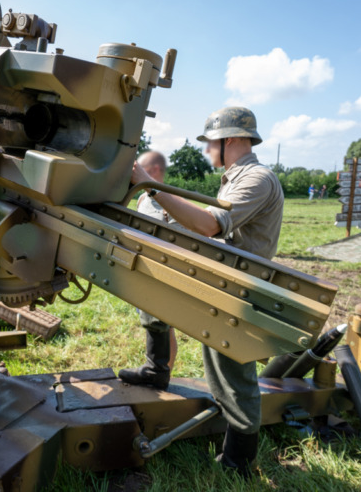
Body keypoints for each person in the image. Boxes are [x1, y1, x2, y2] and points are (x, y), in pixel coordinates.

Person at [127, 107, 284, 478]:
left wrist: (151, 185)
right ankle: (156, 370)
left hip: (239, 289)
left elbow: (210, 225)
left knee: (231, 371)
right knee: (153, 292)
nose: (207, 151)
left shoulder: (257, 178)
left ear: (229, 139)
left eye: (210, 143)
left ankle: (239, 462)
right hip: (224, 278)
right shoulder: (235, 178)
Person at [118, 151, 179, 390]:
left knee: (162, 322)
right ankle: (161, 373)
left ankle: (160, 373)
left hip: (163, 272)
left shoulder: (167, 202)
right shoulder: (145, 199)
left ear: (151, 172)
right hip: (148, 271)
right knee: (163, 324)